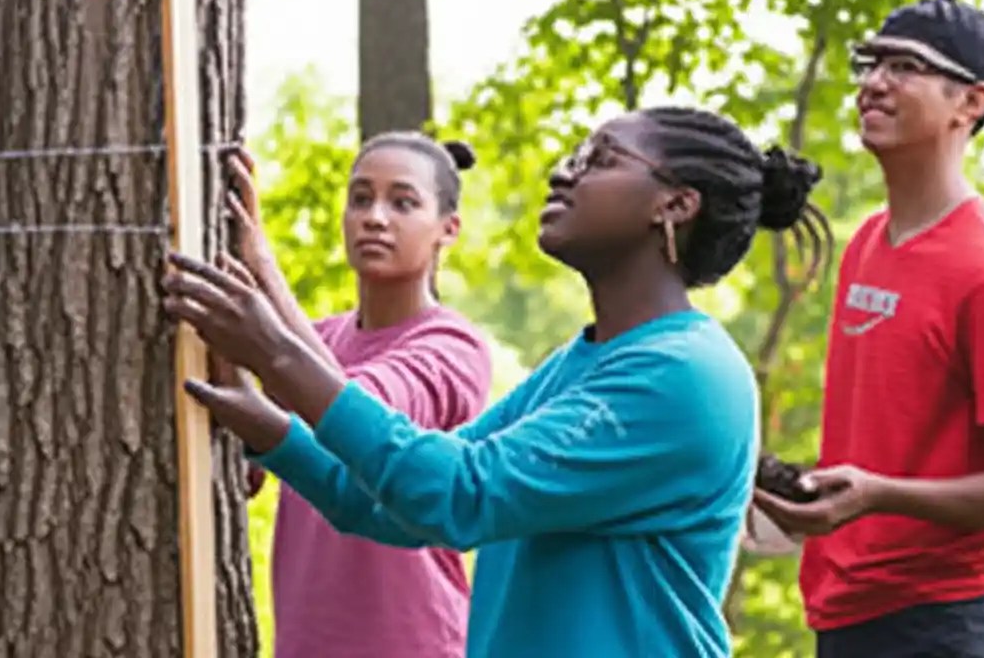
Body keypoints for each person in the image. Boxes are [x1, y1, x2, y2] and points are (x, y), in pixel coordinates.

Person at [161, 106, 830, 658]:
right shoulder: (583, 361)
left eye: (599, 160)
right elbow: (391, 505)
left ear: (675, 206)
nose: (564, 173)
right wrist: (271, 430)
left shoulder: (685, 374)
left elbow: (458, 493)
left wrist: (278, 354)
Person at [751, 0, 984, 657]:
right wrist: (814, 494)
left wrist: (879, 496)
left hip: (951, 627)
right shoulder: (869, 241)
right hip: (846, 614)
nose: (873, 82)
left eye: (905, 67)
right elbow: (900, 439)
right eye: (870, 63)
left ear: (973, 102)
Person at [222, 135, 493, 658]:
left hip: (414, 644)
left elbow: (354, 414)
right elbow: (245, 469)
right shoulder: (316, 339)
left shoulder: (452, 346)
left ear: (448, 229)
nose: (375, 217)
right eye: (361, 198)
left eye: (403, 202)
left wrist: (263, 269)